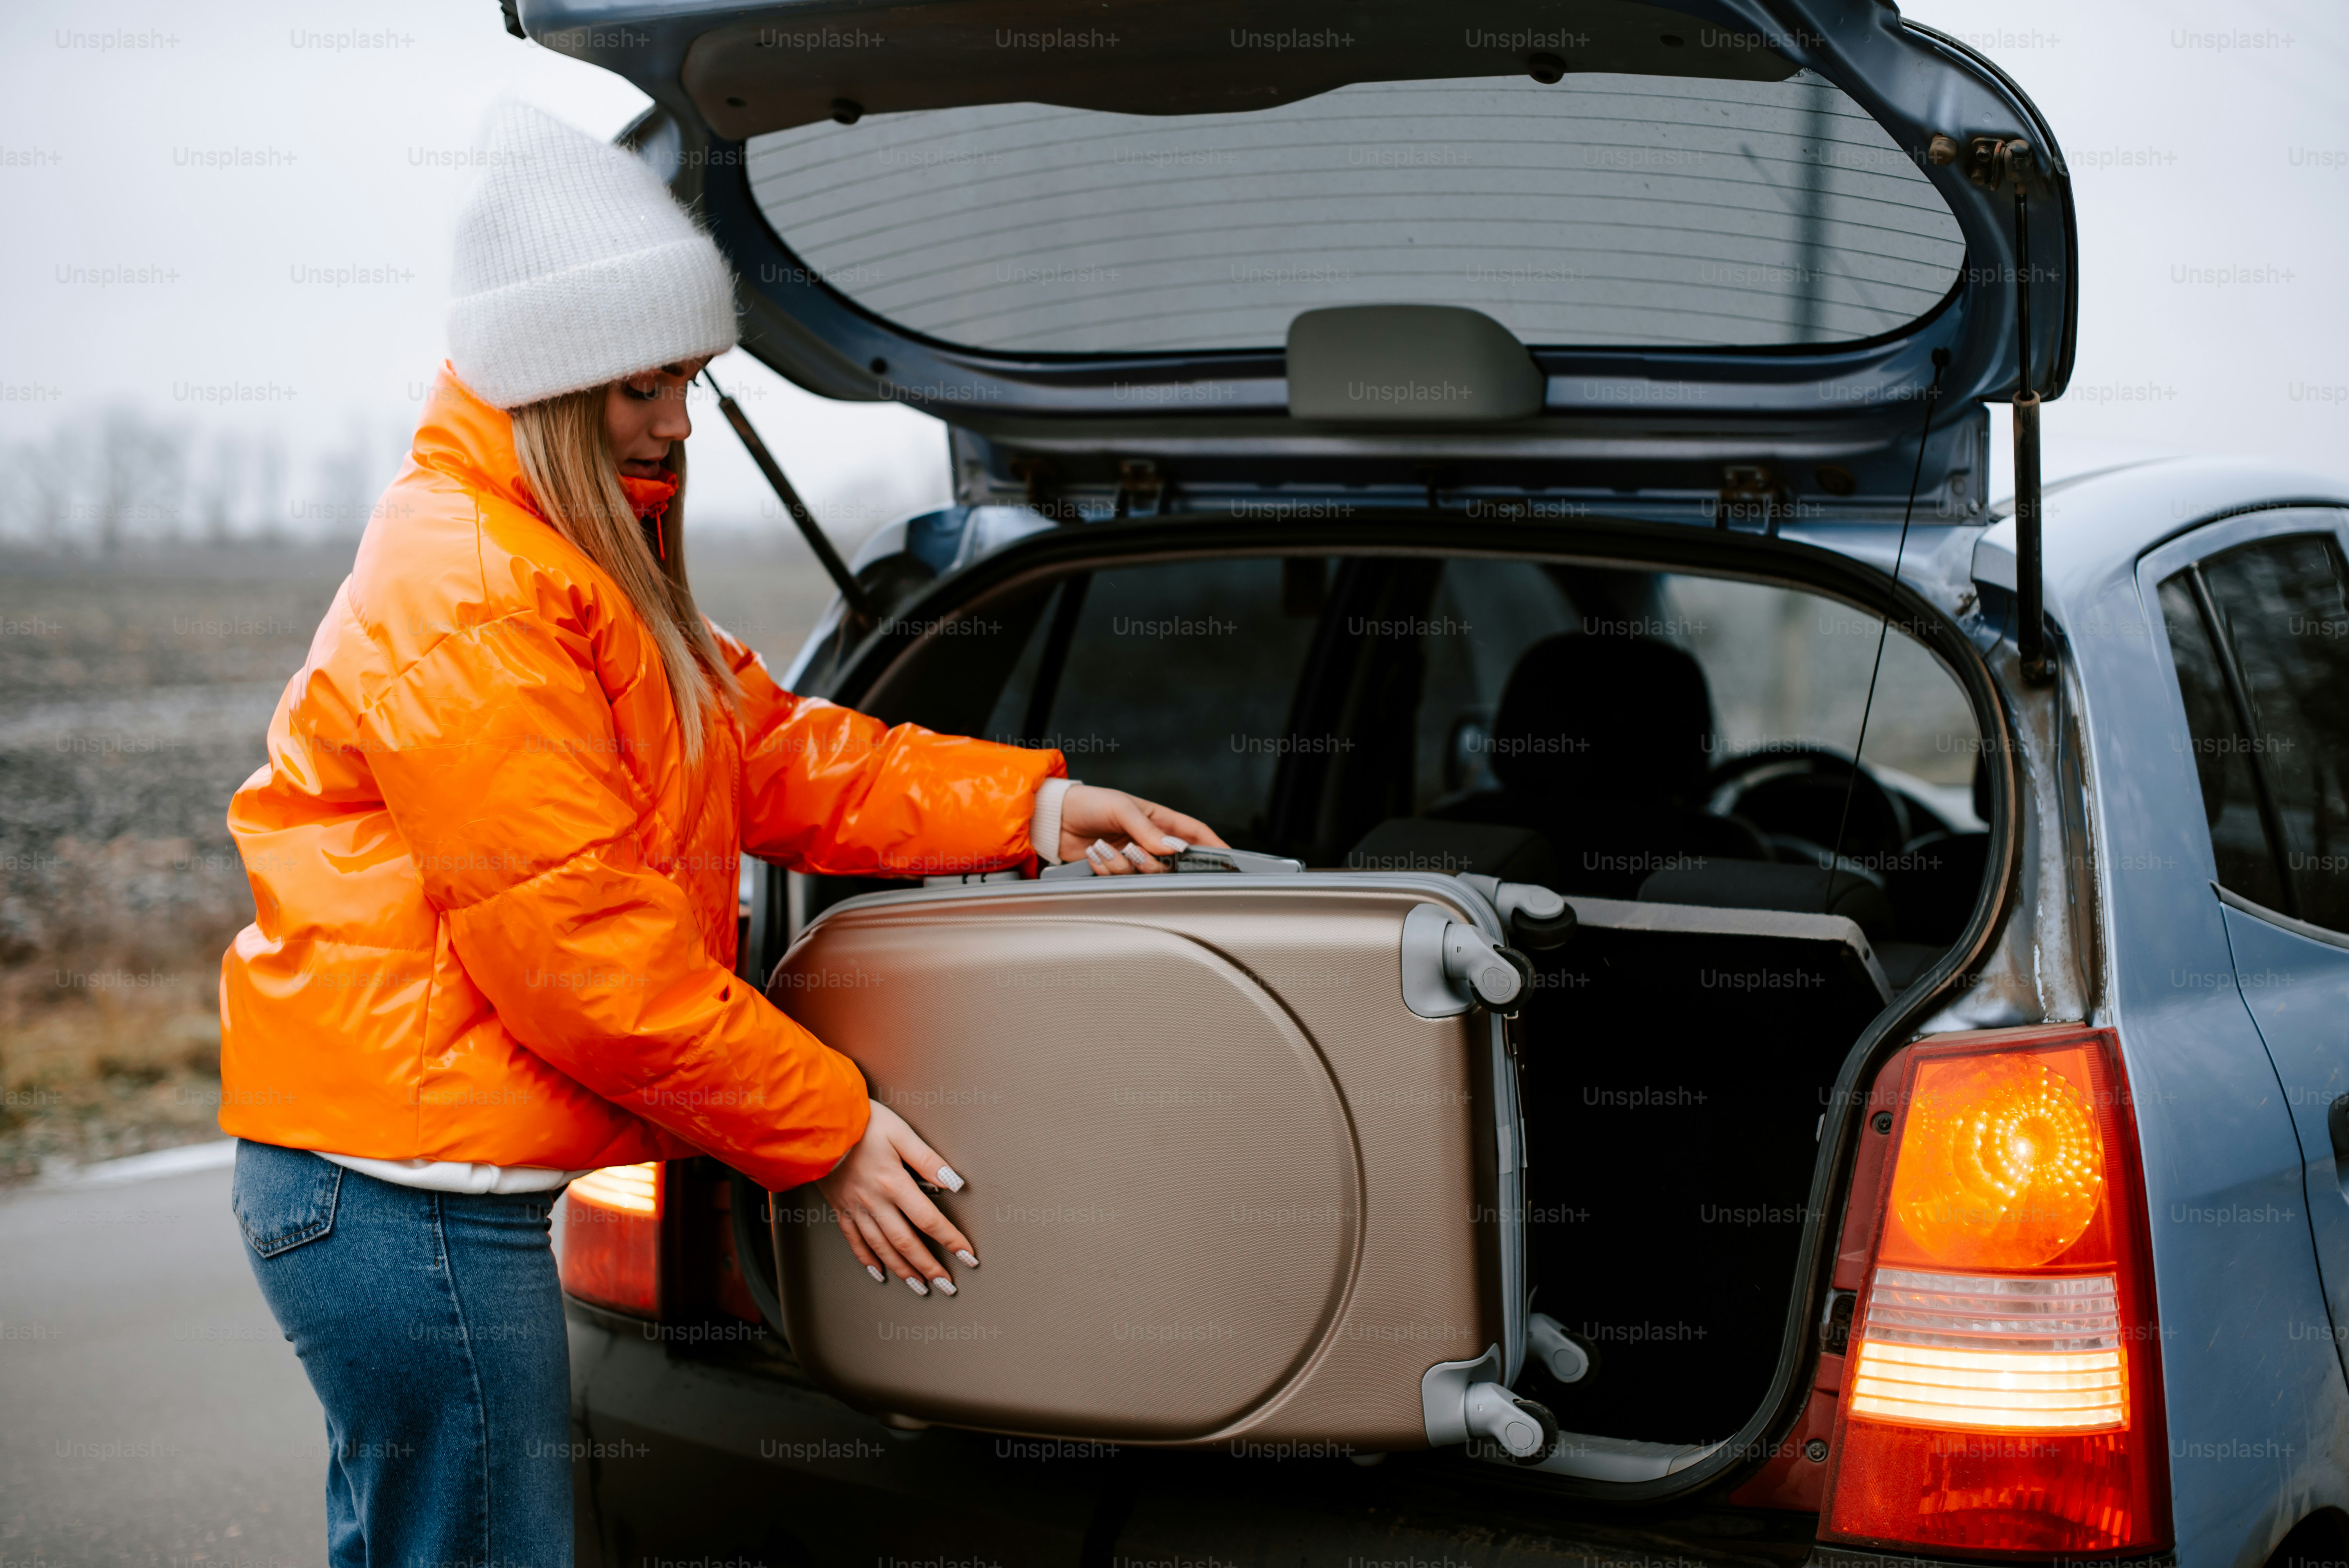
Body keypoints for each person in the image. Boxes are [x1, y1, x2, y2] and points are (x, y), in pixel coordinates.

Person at [216, 102, 1220, 1568]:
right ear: (552, 383)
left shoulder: (568, 557)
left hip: (396, 1190)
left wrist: (1036, 809)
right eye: (642, 385)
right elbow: (588, 964)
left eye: (688, 377)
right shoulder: (475, 594)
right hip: (398, 1209)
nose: (678, 420)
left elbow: (769, 750)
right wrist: (827, 1134)